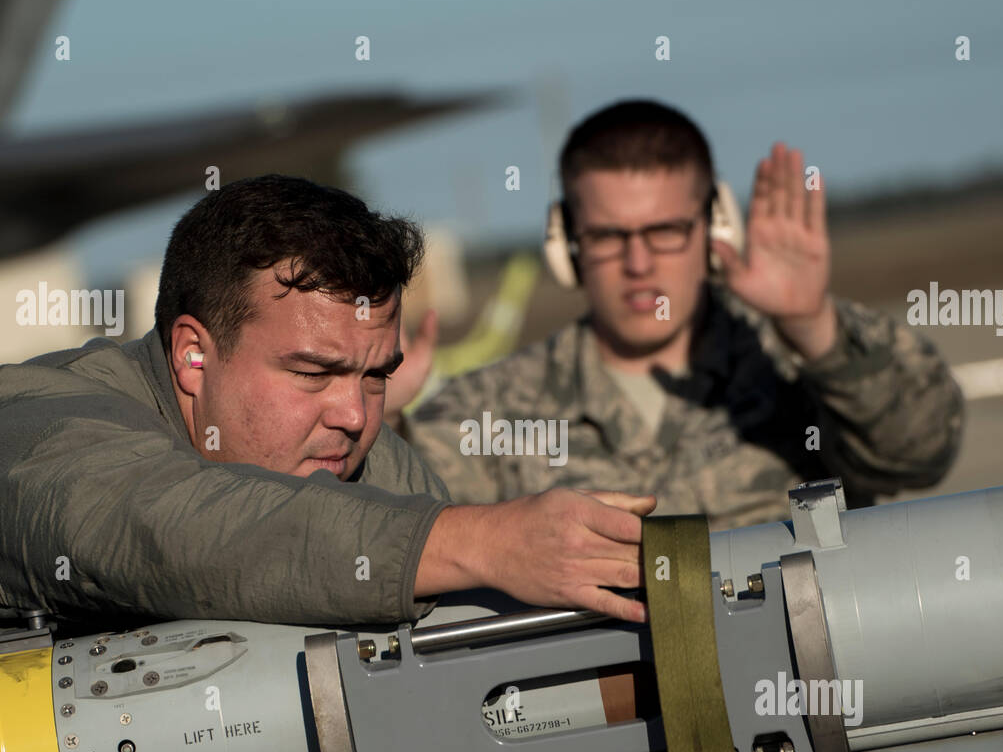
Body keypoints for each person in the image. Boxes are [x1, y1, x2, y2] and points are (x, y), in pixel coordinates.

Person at [0, 175, 655, 671]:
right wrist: (486, 540)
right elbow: (169, 532)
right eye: (312, 372)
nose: (352, 415)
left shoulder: (349, 460)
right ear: (193, 357)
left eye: (374, 376)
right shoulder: (41, 441)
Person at [393, 100, 964, 528]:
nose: (638, 262)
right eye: (608, 235)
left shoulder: (794, 370)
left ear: (714, 227)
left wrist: (812, 327)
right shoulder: (496, 411)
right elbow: (399, 531)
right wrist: (375, 421)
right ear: (566, 243)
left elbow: (922, 453)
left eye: (665, 230)